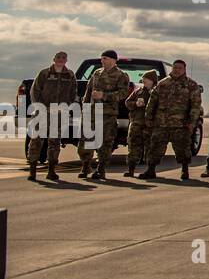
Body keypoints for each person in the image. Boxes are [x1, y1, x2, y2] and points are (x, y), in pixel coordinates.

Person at [142, 59, 203, 180]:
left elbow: (195, 105)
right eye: (175, 68)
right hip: (161, 123)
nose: (177, 70)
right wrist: (148, 117)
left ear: (184, 69)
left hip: (181, 124)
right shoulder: (163, 83)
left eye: (180, 68)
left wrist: (192, 122)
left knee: (183, 149)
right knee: (155, 147)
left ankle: (185, 170)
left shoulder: (191, 85)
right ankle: (150, 170)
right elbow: (152, 101)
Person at [25, 51, 77, 183]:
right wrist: (40, 107)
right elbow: (35, 90)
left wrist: (65, 106)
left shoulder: (70, 75)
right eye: (58, 57)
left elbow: (73, 93)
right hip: (42, 112)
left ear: (66, 60)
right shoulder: (44, 73)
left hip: (59, 114)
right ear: (54, 59)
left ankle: (52, 170)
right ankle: (33, 170)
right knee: (36, 141)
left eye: (64, 57)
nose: (61, 59)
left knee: (54, 142)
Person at [78, 50, 130, 180]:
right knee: (86, 140)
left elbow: (123, 93)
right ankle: (86, 165)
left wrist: (104, 96)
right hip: (92, 112)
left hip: (108, 113)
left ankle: (101, 168)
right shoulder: (97, 73)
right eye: (102, 58)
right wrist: (85, 106)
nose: (102, 61)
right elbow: (89, 91)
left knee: (105, 141)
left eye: (105, 58)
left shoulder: (121, 75)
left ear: (113, 60)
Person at [124, 70, 158, 178]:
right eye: (143, 79)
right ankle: (131, 169)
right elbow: (127, 103)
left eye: (146, 79)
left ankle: (150, 170)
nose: (144, 81)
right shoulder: (138, 92)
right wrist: (135, 104)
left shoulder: (157, 93)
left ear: (152, 81)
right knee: (133, 146)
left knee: (150, 148)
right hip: (136, 123)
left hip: (150, 124)